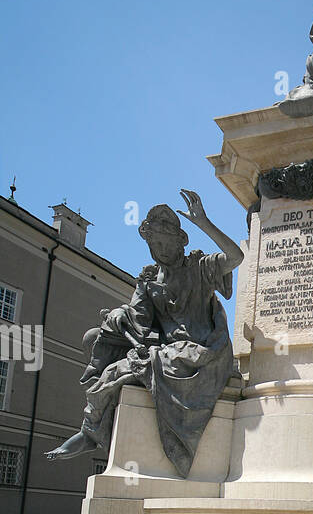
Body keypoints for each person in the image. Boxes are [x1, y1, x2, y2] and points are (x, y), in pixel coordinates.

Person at [47, 191, 242, 478]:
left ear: (182, 241)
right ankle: (89, 430)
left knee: (147, 365)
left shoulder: (200, 267)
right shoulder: (149, 281)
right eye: (155, 243)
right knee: (115, 369)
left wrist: (204, 223)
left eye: (167, 242)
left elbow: (235, 256)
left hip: (203, 352)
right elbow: (138, 321)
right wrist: (120, 321)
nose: (162, 249)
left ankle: (93, 432)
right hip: (167, 349)